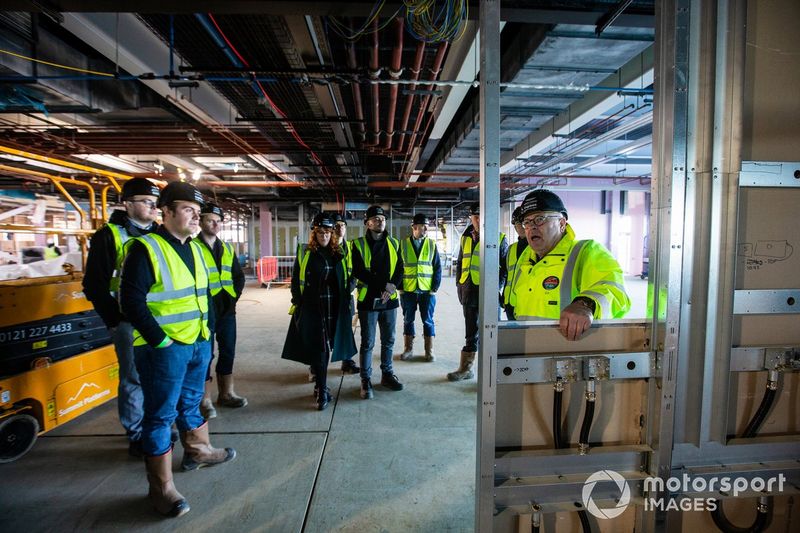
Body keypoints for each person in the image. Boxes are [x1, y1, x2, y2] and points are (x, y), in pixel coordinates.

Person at [119, 181, 235, 518]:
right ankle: (161, 488)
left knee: (190, 403)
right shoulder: (146, 248)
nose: (196, 216)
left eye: (198, 211)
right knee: (160, 416)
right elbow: (130, 301)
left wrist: (208, 334)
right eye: (188, 209)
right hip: (165, 349)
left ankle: (198, 451)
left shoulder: (198, 248)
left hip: (197, 342)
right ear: (165, 211)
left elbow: (206, 295)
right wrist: (160, 340)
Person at [83, 177, 161, 457]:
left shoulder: (161, 234)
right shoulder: (109, 235)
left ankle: (158, 424)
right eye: (146, 202)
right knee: (133, 378)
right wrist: (115, 321)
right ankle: (137, 432)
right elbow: (94, 285)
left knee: (159, 375)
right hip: (127, 322)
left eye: (155, 203)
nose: (153, 208)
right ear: (127, 204)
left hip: (160, 320)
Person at [510, 189, 631, 340]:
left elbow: (616, 291)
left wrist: (585, 305)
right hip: (525, 348)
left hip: (568, 352)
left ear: (561, 223)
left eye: (540, 219)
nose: (532, 227)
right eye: (527, 222)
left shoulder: (585, 251)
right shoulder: (525, 260)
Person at [281, 213, 357, 410]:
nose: (324, 235)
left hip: (336, 308)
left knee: (334, 347)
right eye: (320, 232)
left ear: (332, 234)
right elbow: (296, 280)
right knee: (320, 350)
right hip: (314, 309)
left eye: (328, 232)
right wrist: (297, 302)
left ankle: (321, 385)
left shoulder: (339, 252)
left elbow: (350, 276)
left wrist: (348, 297)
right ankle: (321, 389)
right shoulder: (305, 252)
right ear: (314, 233)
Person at [195, 202, 247, 419]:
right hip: (202, 312)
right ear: (200, 221)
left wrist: (233, 297)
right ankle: (204, 400)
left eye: (218, 221)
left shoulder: (226, 248)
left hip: (227, 311)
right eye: (210, 220)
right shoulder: (192, 247)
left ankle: (226, 393)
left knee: (228, 351)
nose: (215, 224)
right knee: (205, 355)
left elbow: (238, 276)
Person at [448, 202, 508, 381]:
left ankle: (490, 375)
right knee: (470, 332)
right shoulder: (465, 238)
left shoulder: (499, 238)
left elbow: (505, 269)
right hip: (468, 290)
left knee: (490, 334)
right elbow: (460, 262)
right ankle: (466, 369)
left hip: (488, 294)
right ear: (471, 218)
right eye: (475, 216)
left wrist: (495, 288)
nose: (479, 219)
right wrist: (459, 284)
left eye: (482, 216)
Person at [351, 205, 404, 399]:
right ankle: (366, 380)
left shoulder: (394, 243)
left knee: (389, 340)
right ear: (367, 223)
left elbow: (400, 268)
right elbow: (359, 271)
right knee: (368, 342)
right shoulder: (356, 245)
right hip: (368, 302)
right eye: (376, 218)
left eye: (383, 218)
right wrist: (385, 285)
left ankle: (387, 375)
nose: (381, 221)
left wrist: (392, 287)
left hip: (389, 301)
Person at [399, 213, 442, 362]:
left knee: (428, 320)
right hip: (408, 291)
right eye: (421, 227)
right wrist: (400, 287)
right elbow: (398, 267)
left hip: (426, 292)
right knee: (407, 320)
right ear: (414, 227)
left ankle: (429, 351)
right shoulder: (403, 244)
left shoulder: (431, 244)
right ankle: (408, 349)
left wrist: (434, 288)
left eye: (426, 227)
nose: (424, 230)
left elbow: (437, 268)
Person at [332, 212, 360, 375]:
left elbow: (354, 271)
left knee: (346, 330)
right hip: (329, 296)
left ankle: (347, 361)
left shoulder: (350, 247)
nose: (340, 228)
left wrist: (350, 286)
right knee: (325, 330)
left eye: (342, 225)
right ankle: (315, 365)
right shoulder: (327, 247)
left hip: (346, 296)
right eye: (336, 225)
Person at [503, 206, 528, 320]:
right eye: (518, 223)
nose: (522, 226)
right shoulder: (512, 248)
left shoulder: (538, 248)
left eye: (525, 222)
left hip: (526, 304)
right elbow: (506, 273)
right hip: (509, 303)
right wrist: (502, 296)